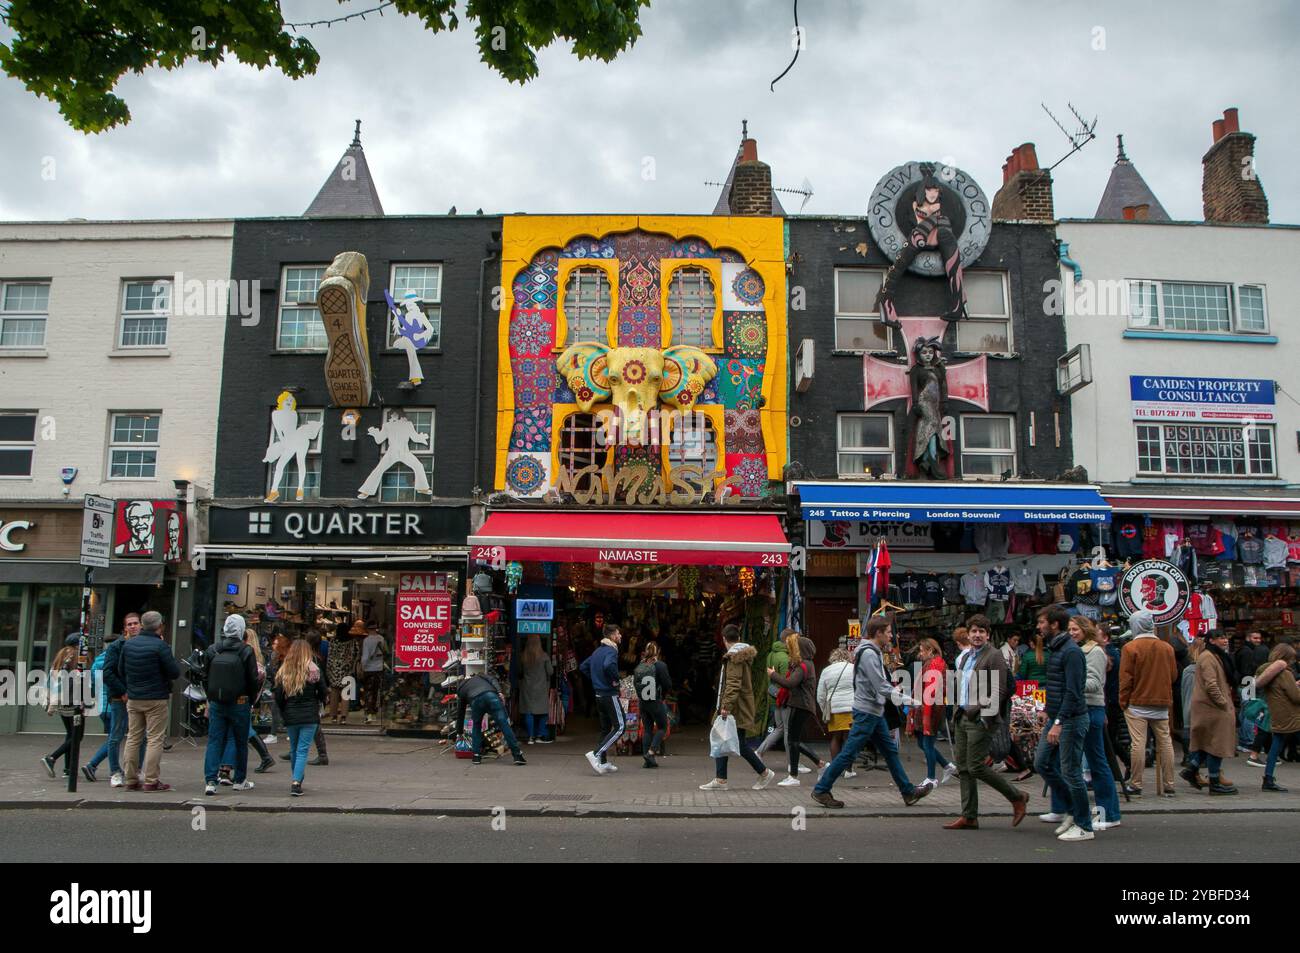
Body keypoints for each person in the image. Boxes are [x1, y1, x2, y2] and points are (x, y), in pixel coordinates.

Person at [812, 617, 931, 809]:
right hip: (868, 712)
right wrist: (909, 701)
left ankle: (908, 792)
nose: (892, 636)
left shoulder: (869, 652)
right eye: (889, 632)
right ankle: (821, 788)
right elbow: (880, 685)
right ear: (879, 633)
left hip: (872, 711)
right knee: (849, 752)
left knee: (889, 751)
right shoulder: (869, 654)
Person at [943, 616, 1028, 830]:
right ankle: (969, 816)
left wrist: (985, 717)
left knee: (976, 766)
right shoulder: (965, 657)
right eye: (974, 631)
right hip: (962, 716)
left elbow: (999, 689)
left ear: (988, 634)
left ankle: (1017, 797)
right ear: (968, 634)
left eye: (982, 631)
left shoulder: (994, 655)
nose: (977, 635)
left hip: (980, 718)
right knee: (963, 767)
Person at [1033, 607, 1093, 841]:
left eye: (1042, 622)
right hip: (1058, 717)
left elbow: (1073, 691)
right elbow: (1056, 685)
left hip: (1071, 720)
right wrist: (1048, 712)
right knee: (1042, 763)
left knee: (1071, 772)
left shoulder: (1071, 652)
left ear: (1054, 625)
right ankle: (1072, 810)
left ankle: (1084, 825)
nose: (1039, 627)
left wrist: (1059, 721)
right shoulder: (1057, 649)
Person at [699, 624, 775, 791]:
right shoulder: (742, 655)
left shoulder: (734, 657)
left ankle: (763, 772)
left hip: (735, 707)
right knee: (723, 737)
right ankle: (721, 779)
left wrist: (726, 706)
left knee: (736, 742)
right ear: (738, 638)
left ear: (724, 639)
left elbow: (733, 683)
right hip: (739, 705)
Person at [1118, 609, 1178, 798]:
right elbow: (1173, 675)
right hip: (1161, 701)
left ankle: (1136, 783)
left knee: (1138, 743)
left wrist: (1123, 701)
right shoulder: (1167, 648)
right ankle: (1169, 784)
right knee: (1165, 742)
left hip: (1137, 702)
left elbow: (1126, 679)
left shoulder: (1130, 648)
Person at [117, 611, 179, 792]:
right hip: (156, 698)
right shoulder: (160, 646)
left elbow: (121, 670)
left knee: (133, 738)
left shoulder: (129, 645)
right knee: (154, 739)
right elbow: (174, 672)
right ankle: (151, 780)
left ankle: (130, 778)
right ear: (159, 626)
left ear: (142, 625)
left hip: (135, 697)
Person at [202, 614, 260, 796]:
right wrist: (251, 699)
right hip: (240, 701)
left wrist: (211, 697)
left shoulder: (213, 650)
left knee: (214, 740)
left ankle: (210, 781)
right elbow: (253, 679)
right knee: (240, 740)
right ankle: (240, 779)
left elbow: (205, 676)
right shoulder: (246, 651)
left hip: (217, 701)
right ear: (241, 629)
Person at [1072, 616, 1122, 827]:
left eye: (1075, 629)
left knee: (1097, 762)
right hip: (1084, 709)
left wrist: (1071, 683)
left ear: (1085, 629)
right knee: (1093, 762)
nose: (1071, 632)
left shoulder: (1095, 652)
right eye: (1069, 629)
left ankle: (1108, 814)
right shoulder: (1083, 650)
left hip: (1091, 709)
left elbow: (1094, 684)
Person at [1182, 630, 1239, 795]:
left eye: (1225, 637)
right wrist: (1223, 702)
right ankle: (1214, 782)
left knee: (1208, 742)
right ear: (1212, 641)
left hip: (1213, 706)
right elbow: (1211, 684)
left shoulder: (1216, 656)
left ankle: (1191, 769)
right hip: (1212, 707)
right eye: (1221, 638)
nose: (1225, 640)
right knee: (1216, 744)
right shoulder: (1208, 657)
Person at [766, 631, 826, 786]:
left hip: (801, 706)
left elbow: (790, 683)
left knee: (793, 740)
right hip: (801, 705)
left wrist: (773, 675)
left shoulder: (803, 666)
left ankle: (794, 776)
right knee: (794, 740)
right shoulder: (805, 664)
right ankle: (820, 764)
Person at [274, 639, 328, 796]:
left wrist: (284, 711)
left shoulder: (285, 670)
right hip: (309, 714)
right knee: (303, 749)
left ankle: (297, 777)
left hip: (291, 715)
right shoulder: (313, 670)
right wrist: (319, 702)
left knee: (294, 749)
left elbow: (278, 696)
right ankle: (296, 782)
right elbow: (323, 691)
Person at [81, 630, 127, 784]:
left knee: (113, 738)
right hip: (115, 703)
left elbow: (93, 685)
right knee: (114, 739)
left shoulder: (96, 662)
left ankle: (96, 766)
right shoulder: (117, 659)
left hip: (102, 707)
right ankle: (92, 764)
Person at [454, 671, 526, 766]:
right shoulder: (480, 676)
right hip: (491, 696)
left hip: (476, 701)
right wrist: (499, 691)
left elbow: (461, 713)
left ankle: (476, 756)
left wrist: (459, 732)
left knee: (476, 726)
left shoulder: (461, 689)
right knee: (504, 725)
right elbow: (492, 679)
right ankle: (517, 756)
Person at [1254, 643, 1300, 792]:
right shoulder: (1285, 673)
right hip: (1291, 715)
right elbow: (1295, 697)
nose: (1292, 662)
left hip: (1278, 713)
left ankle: (1268, 778)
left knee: (1276, 746)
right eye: (1291, 659)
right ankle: (1268, 779)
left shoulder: (1266, 671)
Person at [580, 624, 624, 775]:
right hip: (609, 694)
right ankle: (596, 753)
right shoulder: (611, 651)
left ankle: (603, 762)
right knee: (620, 726)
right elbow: (608, 666)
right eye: (618, 634)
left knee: (605, 728)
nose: (620, 636)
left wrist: (596, 680)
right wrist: (615, 680)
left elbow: (583, 667)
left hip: (599, 694)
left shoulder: (597, 651)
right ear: (612, 636)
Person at [913, 638, 957, 789]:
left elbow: (931, 691)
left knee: (927, 743)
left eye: (921, 650)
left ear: (930, 650)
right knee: (922, 742)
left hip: (931, 709)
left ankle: (931, 777)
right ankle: (947, 766)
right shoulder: (933, 663)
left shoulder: (935, 664)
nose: (920, 654)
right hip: (929, 707)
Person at [41, 635, 85, 779]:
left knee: (70, 734)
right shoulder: (74, 658)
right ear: (77, 645)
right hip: (73, 702)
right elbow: (74, 682)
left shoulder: (61, 657)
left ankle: (68, 769)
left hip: (61, 703)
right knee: (77, 735)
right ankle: (52, 758)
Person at [816, 648, 856, 778]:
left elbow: (820, 695)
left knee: (836, 738)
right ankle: (848, 770)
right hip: (852, 707)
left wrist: (825, 710)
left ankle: (835, 768)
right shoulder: (853, 668)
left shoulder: (826, 671)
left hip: (834, 709)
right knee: (849, 739)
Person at [633, 642, 672, 768]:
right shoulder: (660, 665)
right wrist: (663, 694)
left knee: (647, 730)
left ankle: (647, 761)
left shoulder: (640, 665)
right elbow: (667, 685)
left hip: (643, 702)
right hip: (655, 701)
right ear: (658, 652)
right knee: (662, 727)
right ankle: (651, 752)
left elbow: (635, 683)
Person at [756, 632, 792, 759]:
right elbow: (786, 681)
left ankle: (759, 752)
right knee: (787, 730)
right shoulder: (785, 658)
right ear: (788, 640)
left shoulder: (771, 654)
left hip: (774, 695)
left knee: (780, 728)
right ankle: (792, 764)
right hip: (784, 697)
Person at [1235, 630, 1270, 753]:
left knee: (1245, 712)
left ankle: (1244, 741)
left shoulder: (1245, 650)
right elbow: (1246, 670)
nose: (1258, 640)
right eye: (1255, 638)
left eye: (1259, 638)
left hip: (1245, 683)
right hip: (1248, 683)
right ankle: (1248, 742)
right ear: (1248, 638)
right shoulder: (1247, 652)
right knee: (1250, 713)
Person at [520, 634, 555, 745]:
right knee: (543, 711)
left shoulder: (523, 656)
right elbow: (550, 672)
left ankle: (531, 737)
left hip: (527, 687)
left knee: (528, 712)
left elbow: (519, 671)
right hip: (541, 687)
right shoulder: (544, 656)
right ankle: (540, 735)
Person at [326, 622, 361, 724]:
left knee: (334, 693)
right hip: (347, 669)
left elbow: (330, 655)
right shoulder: (353, 641)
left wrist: (328, 669)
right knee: (346, 693)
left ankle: (333, 716)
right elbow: (357, 654)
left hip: (334, 670)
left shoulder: (333, 641)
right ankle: (344, 717)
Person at [360, 624, 387, 725]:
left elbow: (365, 656)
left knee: (368, 692)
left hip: (369, 668)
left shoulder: (367, 640)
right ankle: (375, 713)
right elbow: (385, 651)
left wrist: (363, 666)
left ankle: (368, 714)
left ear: (368, 629)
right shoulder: (381, 639)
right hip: (379, 667)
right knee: (376, 691)